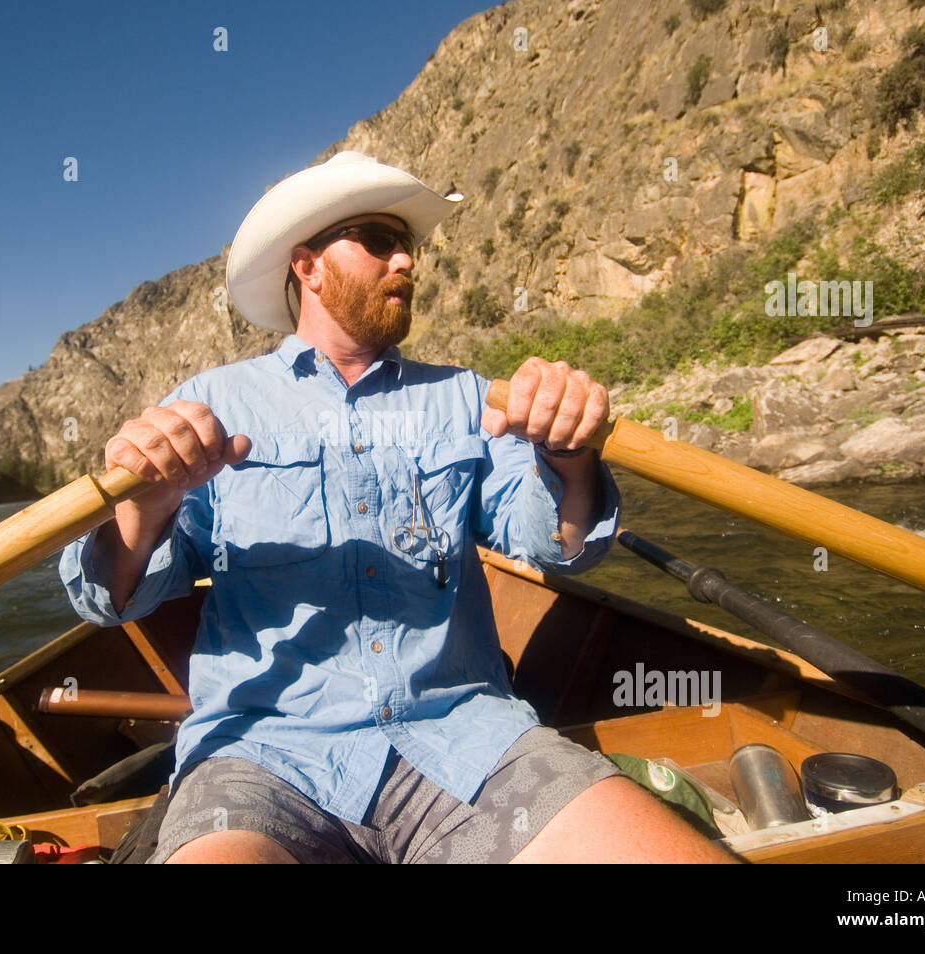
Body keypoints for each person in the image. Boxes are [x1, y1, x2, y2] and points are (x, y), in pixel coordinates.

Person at [60, 152, 733, 863]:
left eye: (409, 246)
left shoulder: (474, 399)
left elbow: (557, 547)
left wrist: (570, 458)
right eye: (379, 241)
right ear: (308, 267)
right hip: (258, 761)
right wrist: (146, 507)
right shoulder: (210, 404)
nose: (406, 261)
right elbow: (108, 598)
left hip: (471, 743)